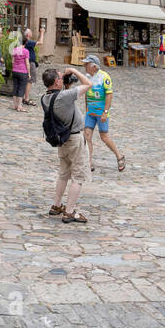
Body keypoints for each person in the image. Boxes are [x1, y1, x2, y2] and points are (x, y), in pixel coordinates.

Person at [41, 66, 94, 224]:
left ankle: (56, 205)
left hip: (62, 141)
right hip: (75, 140)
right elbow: (88, 84)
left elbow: (61, 95)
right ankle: (69, 212)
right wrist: (74, 71)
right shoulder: (65, 96)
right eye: (60, 76)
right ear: (57, 81)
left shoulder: (45, 98)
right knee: (78, 177)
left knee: (64, 174)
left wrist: (64, 82)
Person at [82, 54, 125, 173]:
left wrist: (105, 112)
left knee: (104, 137)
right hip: (90, 113)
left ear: (94, 66)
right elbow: (86, 92)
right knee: (86, 136)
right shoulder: (86, 77)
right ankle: (89, 161)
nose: (85, 66)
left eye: (87, 64)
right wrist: (86, 108)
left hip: (101, 113)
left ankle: (119, 156)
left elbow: (109, 95)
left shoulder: (104, 77)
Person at [10, 36, 31, 111]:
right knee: (21, 88)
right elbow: (27, 63)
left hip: (15, 71)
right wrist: (29, 73)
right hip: (23, 71)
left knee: (15, 87)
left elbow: (12, 61)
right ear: (26, 42)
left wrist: (14, 68)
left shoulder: (15, 50)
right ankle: (19, 106)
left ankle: (14, 105)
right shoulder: (26, 51)